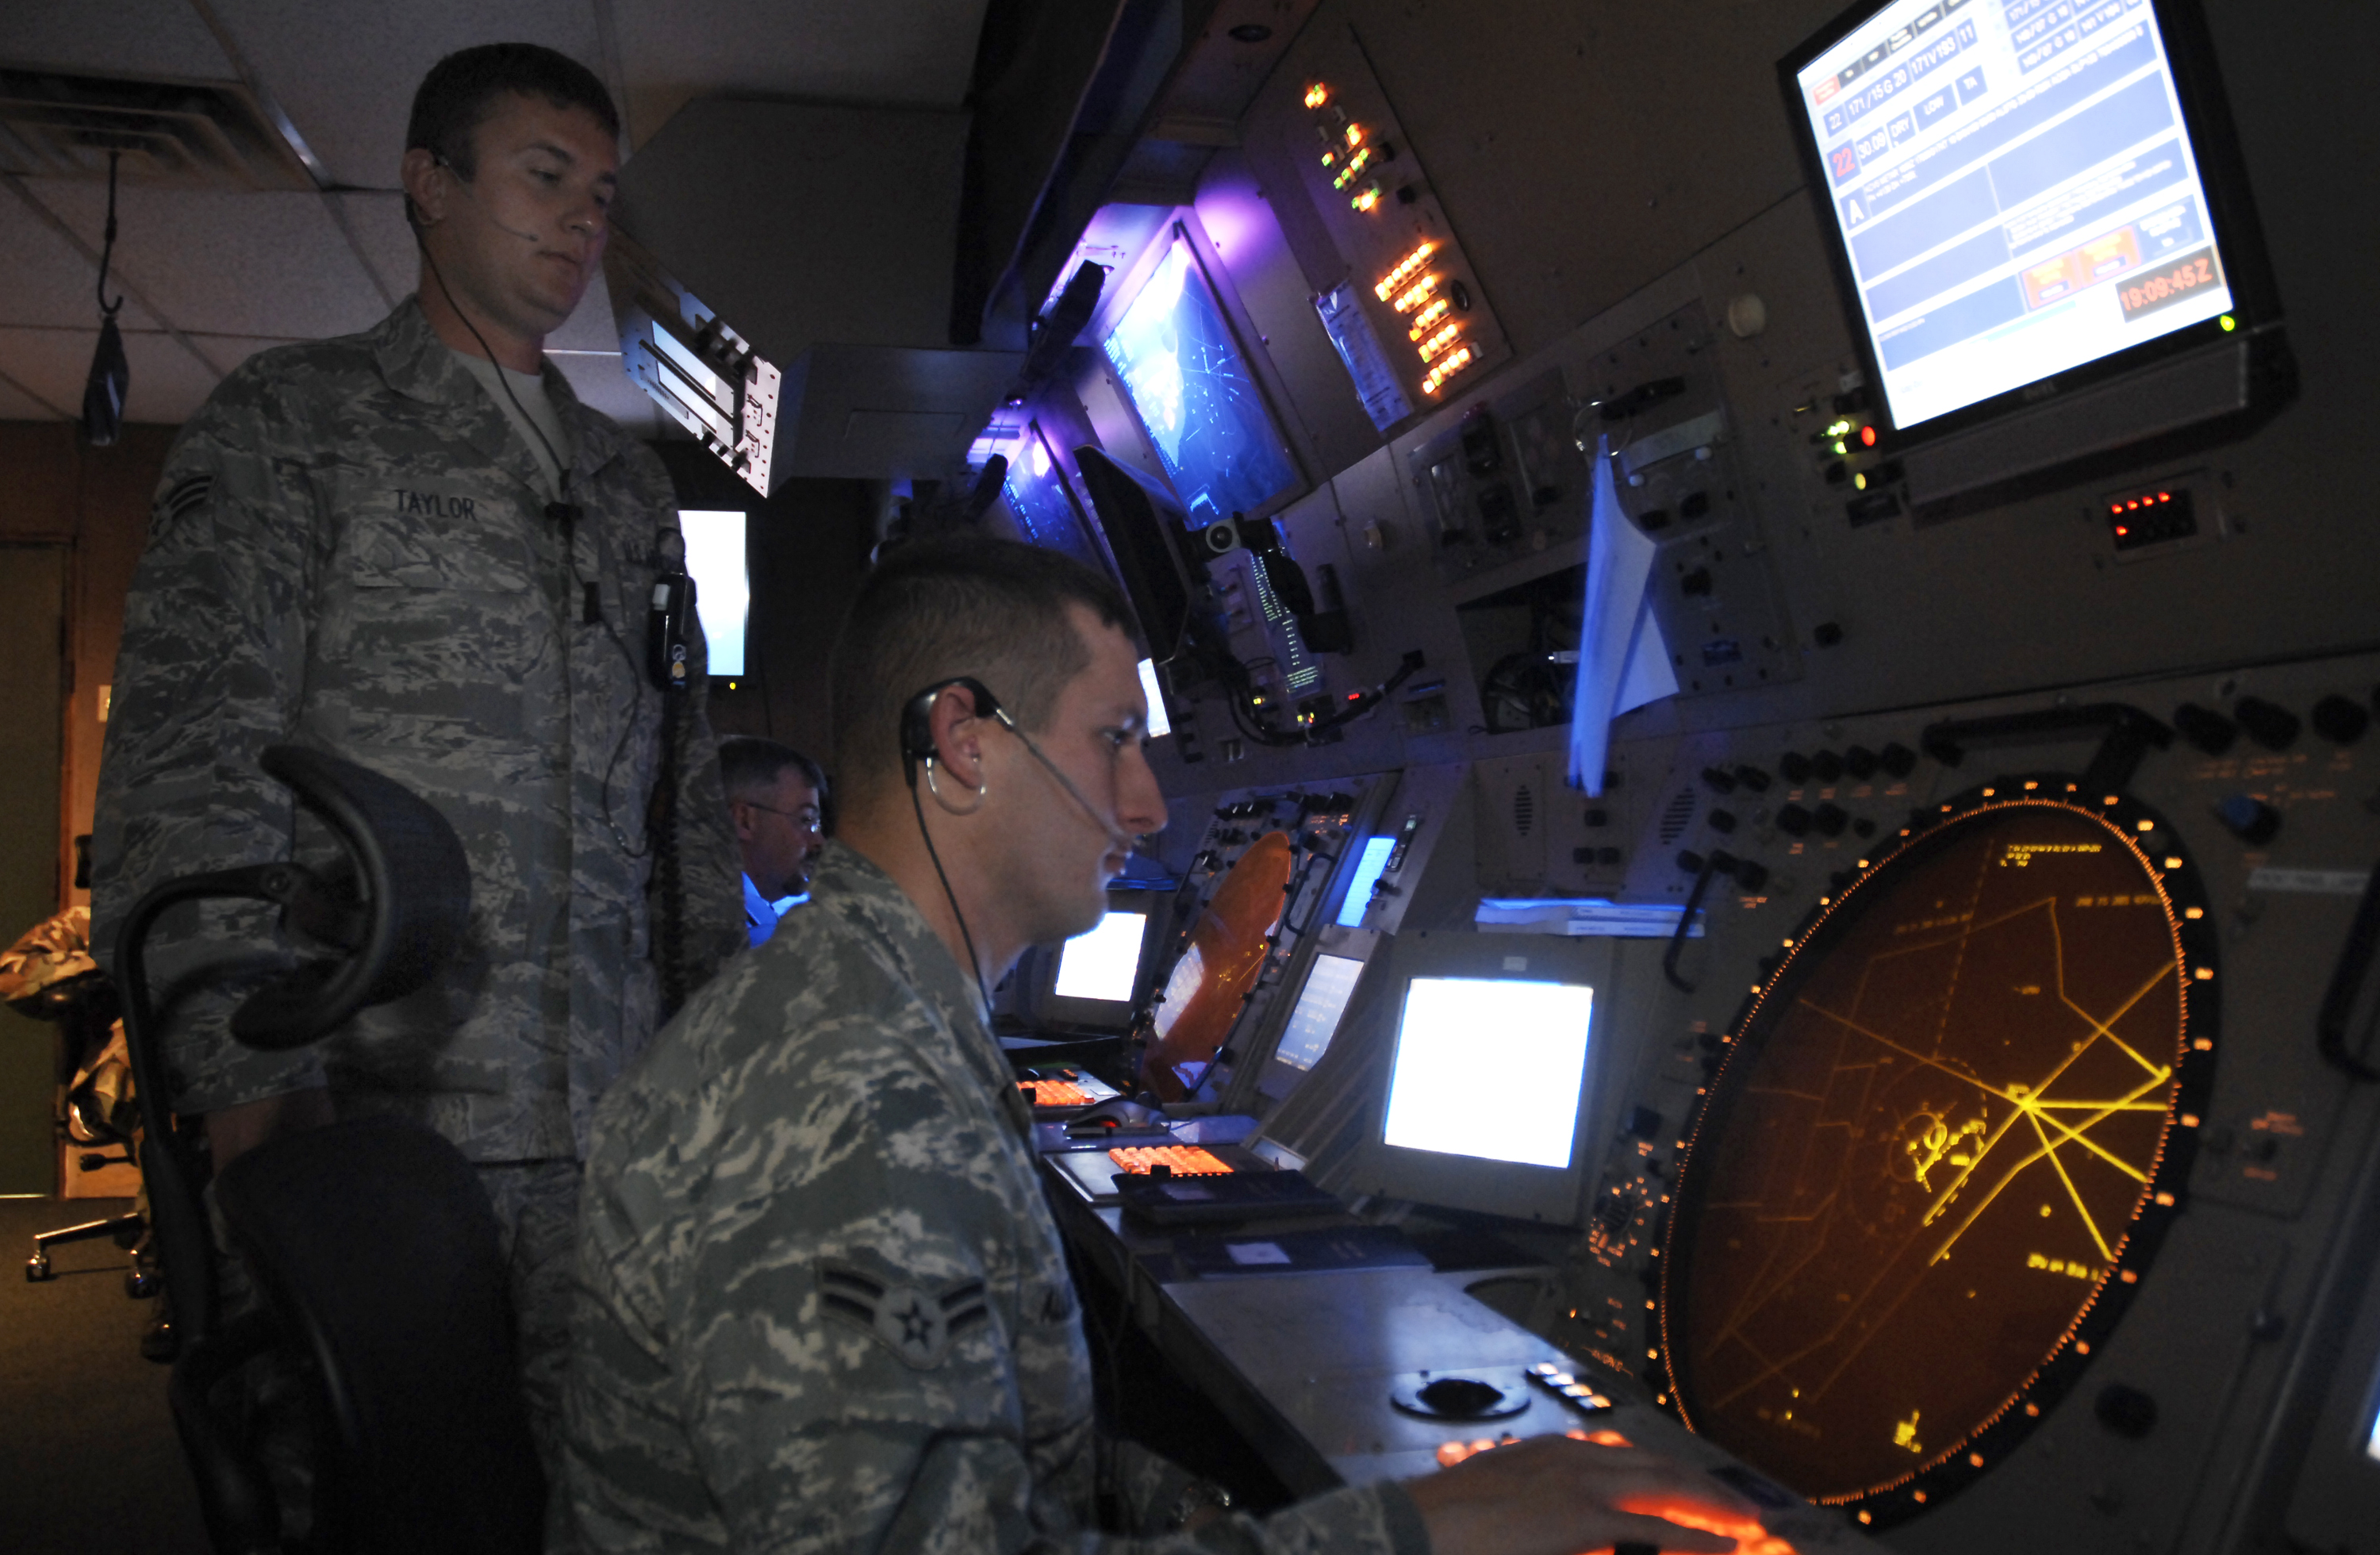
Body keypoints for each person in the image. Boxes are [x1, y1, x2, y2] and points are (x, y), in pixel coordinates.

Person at [559, 535, 1757, 1554]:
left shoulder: (874, 1011)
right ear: (967, 744)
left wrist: (1214, 1504)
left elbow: (997, 1461)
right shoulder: (851, 1094)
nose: (1145, 803)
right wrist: (1410, 1530)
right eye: (1114, 738)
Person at [90, 41, 744, 1466]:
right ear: (428, 184)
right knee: (383, 1501)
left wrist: (715, 1067)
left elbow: (680, 801)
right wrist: (252, 1104)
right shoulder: (292, 428)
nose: (584, 218)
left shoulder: (625, 482)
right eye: (544, 175)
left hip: (610, 1138)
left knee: (608, 1499)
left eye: (602, 190)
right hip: (375, 1124)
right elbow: (185, 775)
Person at [719, 735, 828, 946]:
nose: (819, 841)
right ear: (744, 821)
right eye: (806, 820)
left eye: (818, 825)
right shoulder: (754, 939)